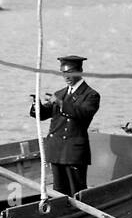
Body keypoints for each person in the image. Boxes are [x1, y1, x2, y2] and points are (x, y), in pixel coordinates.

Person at [31, 54, 100, 197]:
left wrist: (61, 103)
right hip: (56, 150)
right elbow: (43, 115)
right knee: (59, 191)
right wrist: (36, 105)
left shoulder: (91, 95)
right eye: (63, 73)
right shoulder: (60, 94)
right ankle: (63, 215)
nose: (66, 76)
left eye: (70, 73)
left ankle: (81, 215)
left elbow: (83, 114)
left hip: (73, 152)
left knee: (77, 190)